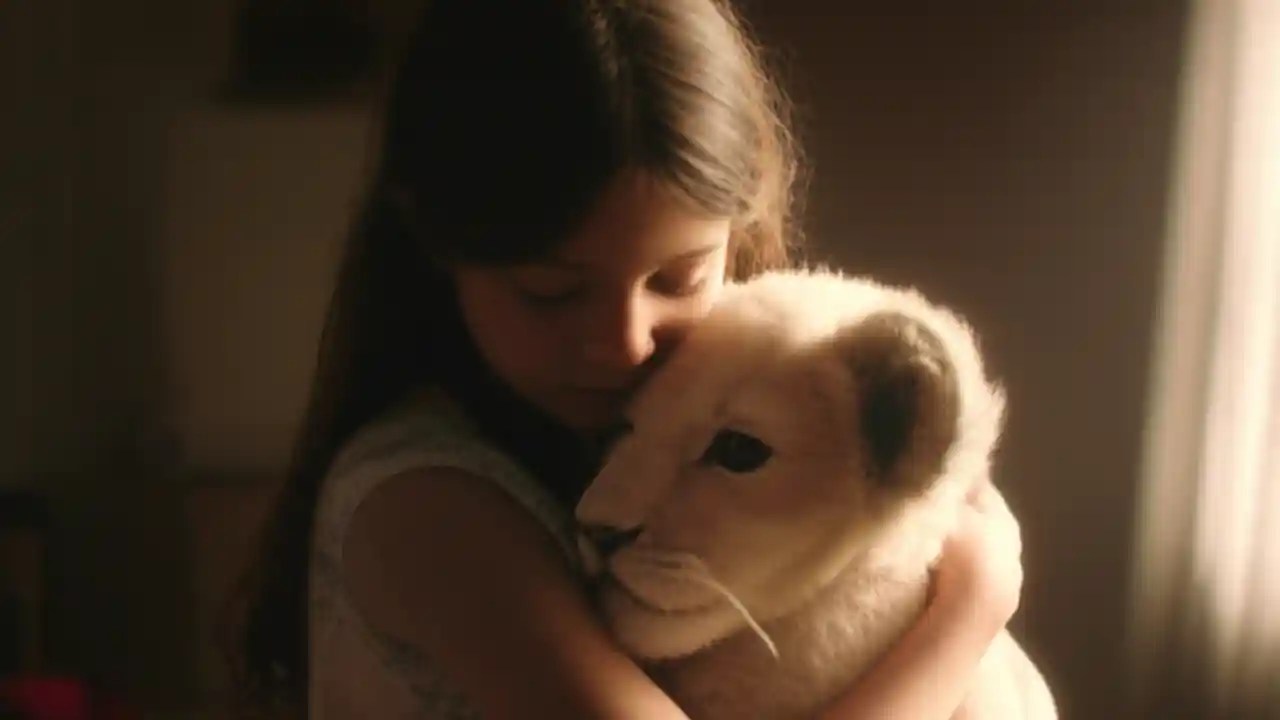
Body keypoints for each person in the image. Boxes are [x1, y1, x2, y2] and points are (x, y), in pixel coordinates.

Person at [229, 0, 1026, 717]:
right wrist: (969, 614)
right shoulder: (429, 507)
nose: (624, 341)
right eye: (550, 292)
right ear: (436, 242)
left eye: (679, 279)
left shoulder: (638, 434)